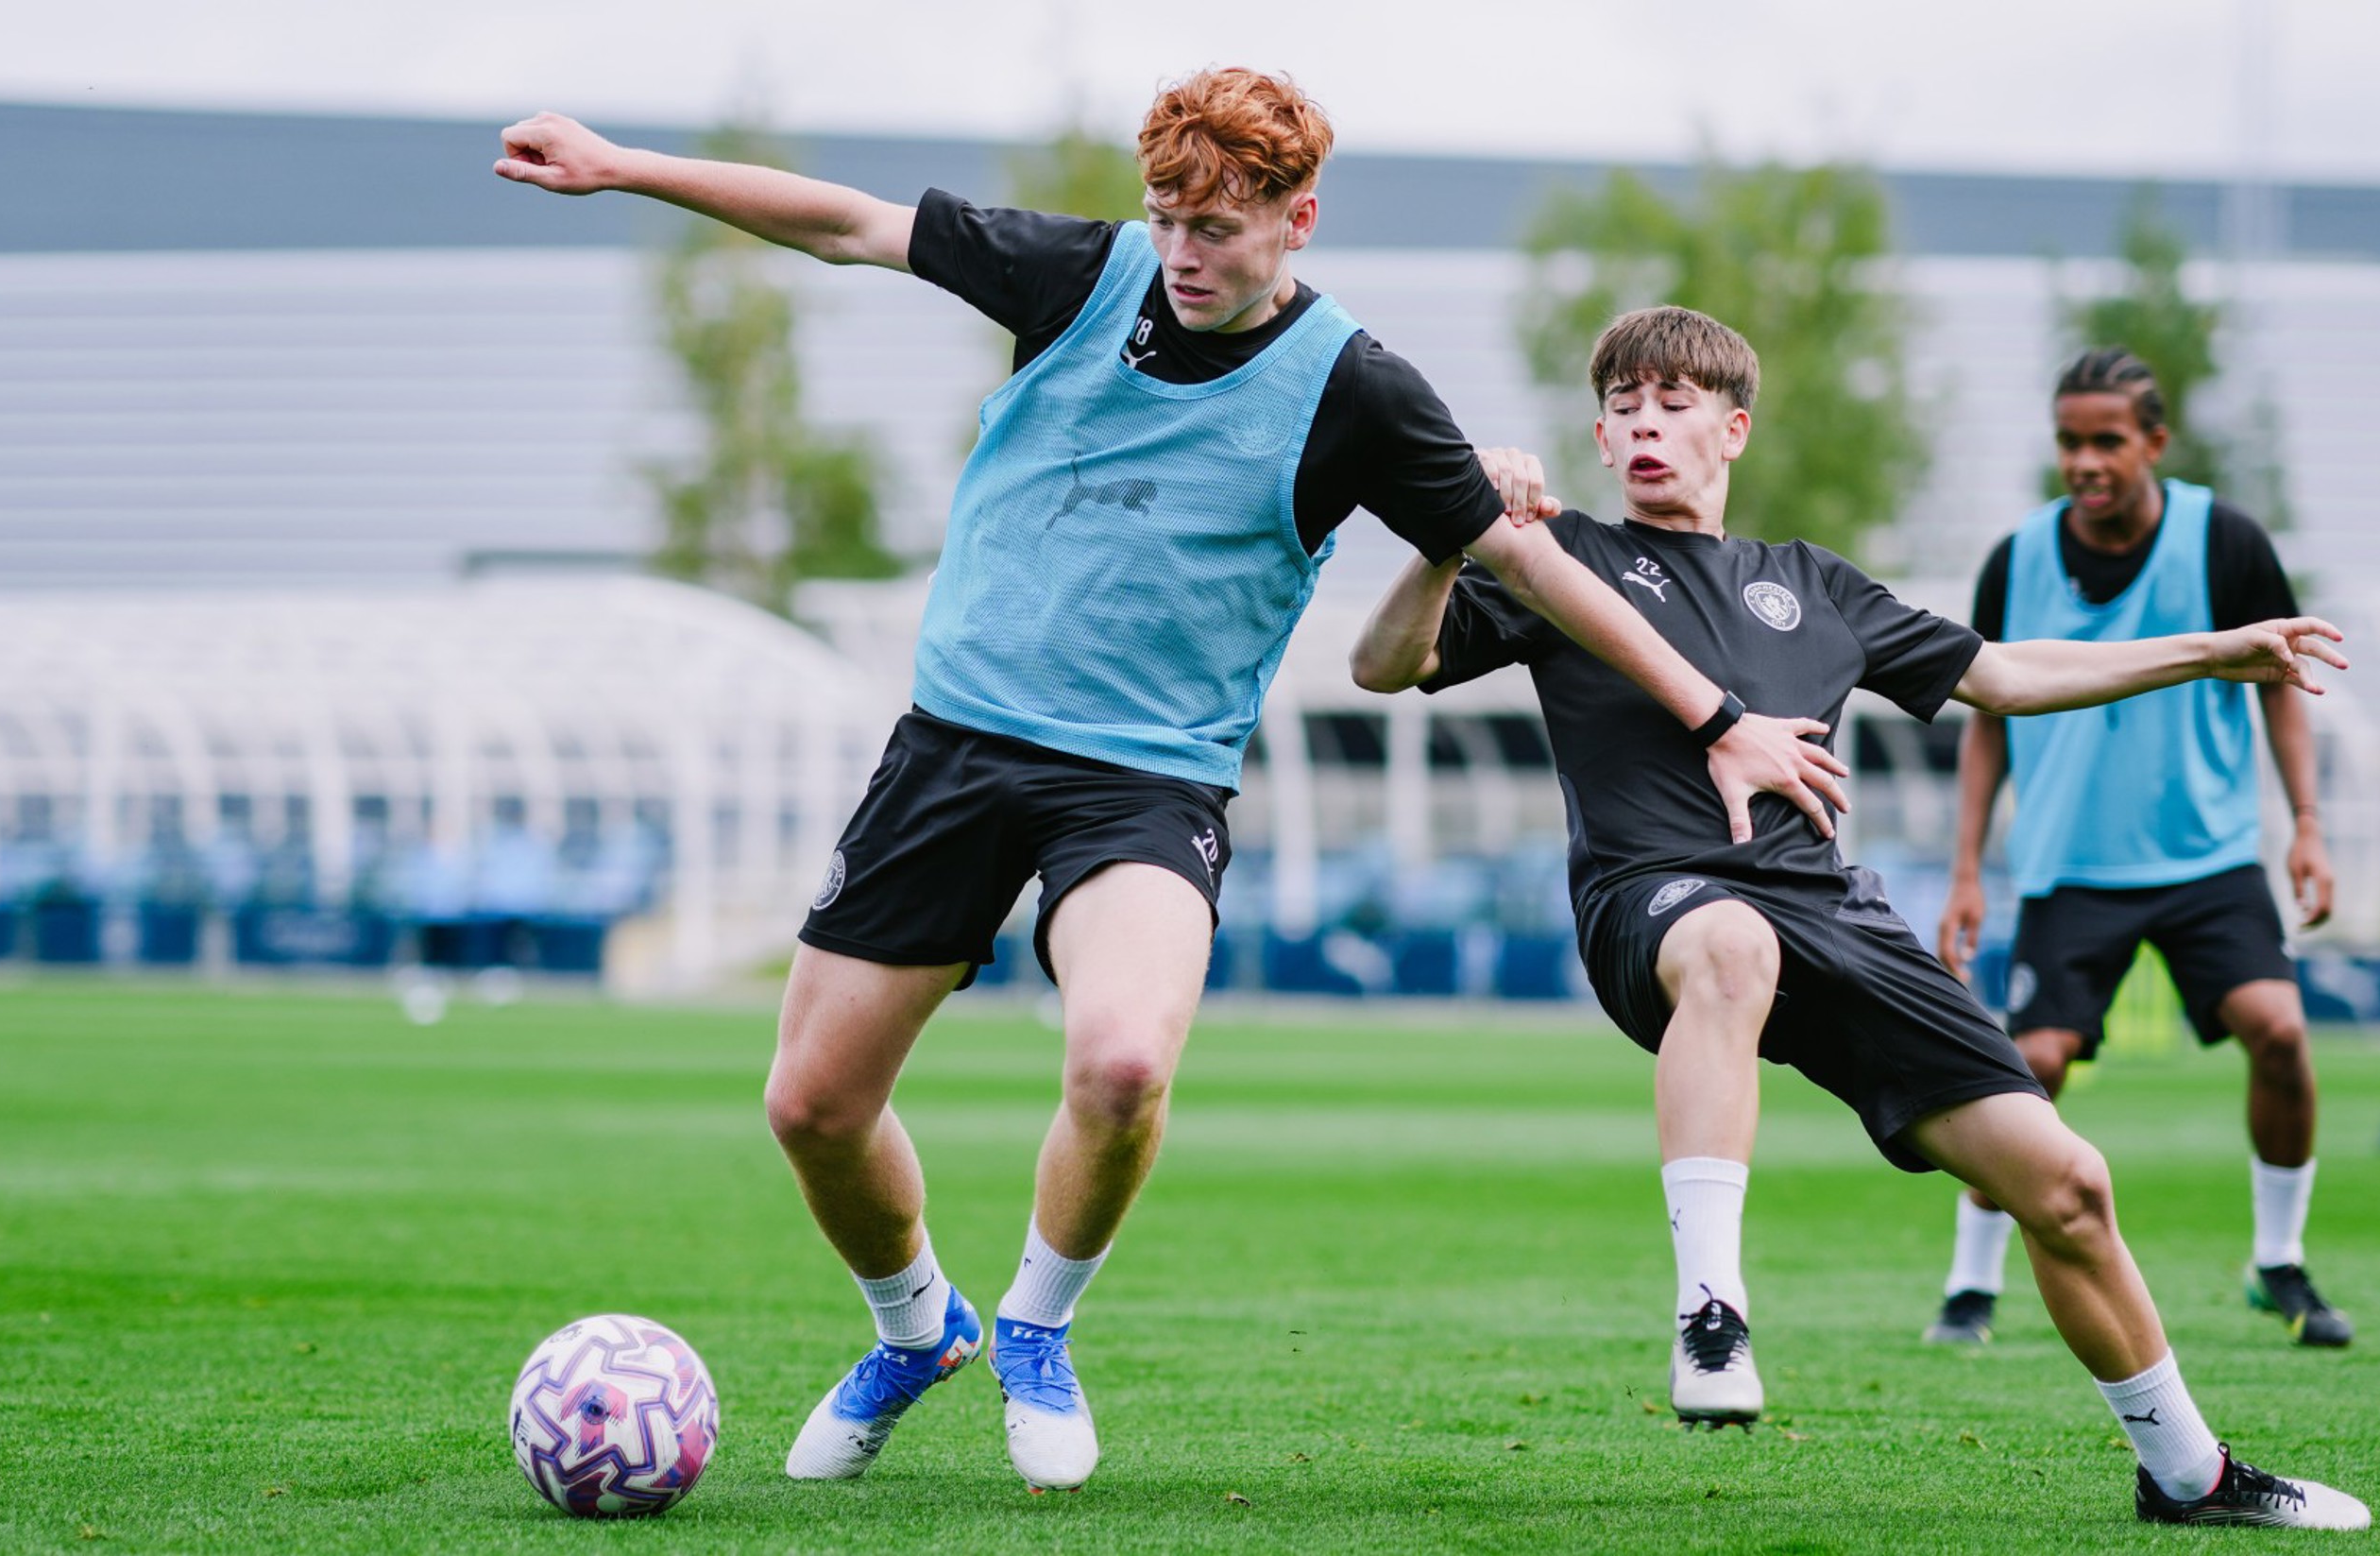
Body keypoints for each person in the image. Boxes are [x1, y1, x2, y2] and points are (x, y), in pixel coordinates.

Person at [494, 72, 1846, 1494]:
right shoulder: (1081, 273)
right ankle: (916, 1326)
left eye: (1219, 226)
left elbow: (1538, 567)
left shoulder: (1360, 388)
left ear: (1296, 220)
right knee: (812, 1105)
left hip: (1145, 784)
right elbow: (847, 225)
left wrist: (1719, 716)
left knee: (1127, 1059)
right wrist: (622, 165)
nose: (1184, 253)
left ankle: (1035, 1328)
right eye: (1168, 220)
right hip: (954, 745)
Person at [1349, 307, 2368, 1529]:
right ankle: (1711, 1311)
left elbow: (2010, 674)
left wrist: (2219, 649)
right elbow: (1383, 664)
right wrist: (1457, 536)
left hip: (1839, 916)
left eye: (1672, 402)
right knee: (1733, 942)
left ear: (1733, 428)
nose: (1642, 424)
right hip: (1656, 899)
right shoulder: (1558, 557)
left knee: (2068, 1183)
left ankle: (2188, 1471)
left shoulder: (1813, 585)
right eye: (1621, 405)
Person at [1927, 349, 2350, 1349]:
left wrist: (2309, 828)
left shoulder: (2223, 542)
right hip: (2072, 866)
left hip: (2209, 859)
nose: (2085, 459)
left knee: (2281, 1034)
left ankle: (2279, 1263)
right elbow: (1984, 715)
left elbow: (2282, 684)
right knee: (2030, 1065)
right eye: (2070, 440)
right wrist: (1967, 870)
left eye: (2106, 440)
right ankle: (1969, 1286)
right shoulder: (2017, 558)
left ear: (2153, 442)